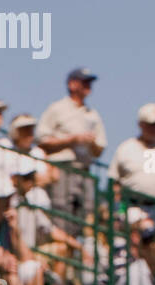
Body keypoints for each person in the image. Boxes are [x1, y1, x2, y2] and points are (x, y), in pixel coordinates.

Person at [36, 67, 105, 221]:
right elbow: (42, 141)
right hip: (62, 167)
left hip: (84, 170)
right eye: (84, 82)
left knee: (86, 214)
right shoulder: (57, 108)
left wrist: (91, 143)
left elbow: (100, 148)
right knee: (61, 210)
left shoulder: (92, 114)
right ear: (72, 84)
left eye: (89, 82)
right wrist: (71, 140)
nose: (88, 86)